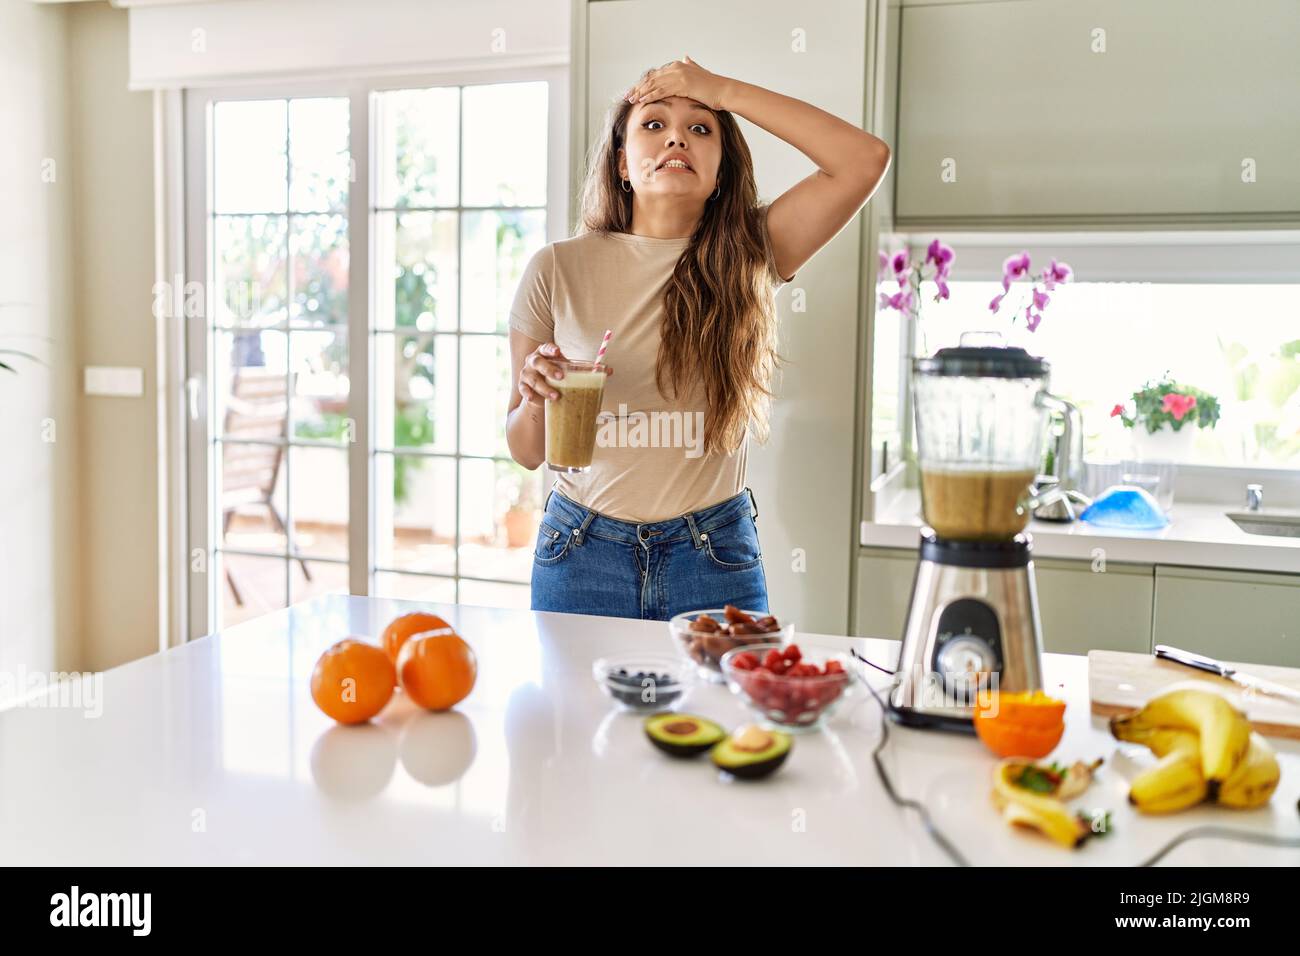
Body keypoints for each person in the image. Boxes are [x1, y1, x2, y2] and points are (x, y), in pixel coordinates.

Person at [506, 56, 890, 620]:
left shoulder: (752, 252)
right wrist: (536, 397)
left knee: (721, 710)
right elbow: (525, 450)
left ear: (720, 171)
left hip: (710, 557)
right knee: (579, 711)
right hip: (581, 551)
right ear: (622, 164)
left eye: (700, 128)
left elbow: (863, 160)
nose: (676, 139)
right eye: (653, 124)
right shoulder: (556, 268)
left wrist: (722, 89)